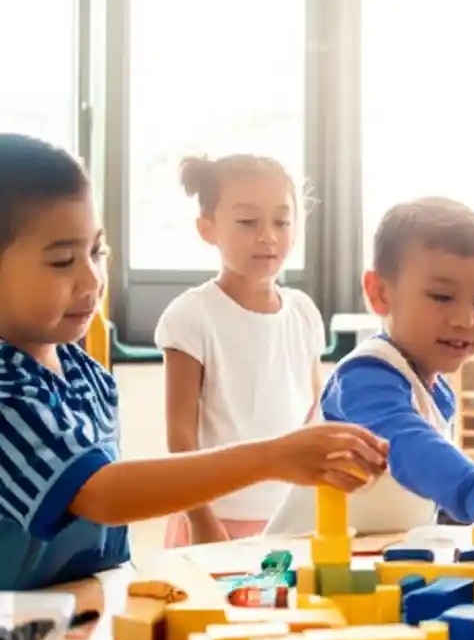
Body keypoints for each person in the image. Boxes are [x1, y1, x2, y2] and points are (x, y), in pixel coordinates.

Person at [0, 132, 386, 590]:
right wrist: (272, 457)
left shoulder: (87, 375)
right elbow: (101, 494)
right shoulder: (8, 389)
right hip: (19, 637)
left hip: (84, 610)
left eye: (97, 251)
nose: (91, 277)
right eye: (63, 260)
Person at [265, 198, 474, 535]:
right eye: (441, 296)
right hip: (293, 569)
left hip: (363, 568)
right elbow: (409, 446)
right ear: (379, 293)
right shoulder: (364, 378)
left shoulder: (434, 391)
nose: (465, 320)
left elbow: (425, 484)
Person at [154, 154, 326, 547]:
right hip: (215, 517)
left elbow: (314, 414)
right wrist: (202, 518)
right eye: (248, 222)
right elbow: (180, 436)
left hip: (288, 519)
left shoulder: (303, 312)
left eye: (281, 221)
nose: (268, 236)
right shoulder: (191, 315)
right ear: (207, 228)